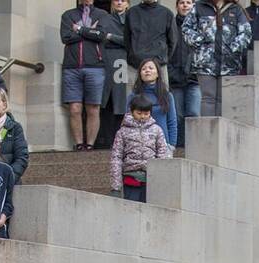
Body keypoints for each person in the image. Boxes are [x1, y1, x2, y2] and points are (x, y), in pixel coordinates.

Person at [183, 1, 253, 116]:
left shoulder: (235, 9)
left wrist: (233, 49)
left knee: (224, 100)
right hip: (205, 64)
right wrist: (199, 41)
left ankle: (222, 132)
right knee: (208, 98)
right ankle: (208, 132)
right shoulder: (199, 7)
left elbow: (246, 33)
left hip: (229, 64)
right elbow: (186, 28)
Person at [62, 0, 113, 151]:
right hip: (71, 67)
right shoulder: (68, 15)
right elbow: (65, 37)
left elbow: (101, 35)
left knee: (93, 108)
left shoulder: (102, 14)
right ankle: (79, 144)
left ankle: (90, 145)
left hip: (95, 67)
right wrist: (89, 31)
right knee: (74, 108)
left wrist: (78, 29)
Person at [110, 94, 172, 201]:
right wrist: (116, 187)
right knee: (132, 208)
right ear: (131, 111)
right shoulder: (122, 132)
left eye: (146, 113)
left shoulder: (157, 130)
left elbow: (163, 154)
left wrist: (164, 177)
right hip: (131, 176)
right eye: (139, 113)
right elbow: (116, 158)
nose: (142, 116)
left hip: (152, 177)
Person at [99, 0, 132, 149]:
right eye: (116, 0)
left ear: (128, 4)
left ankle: (122, 141)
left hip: (126, 63)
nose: (119, 2)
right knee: (106, 102)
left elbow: (131, 42)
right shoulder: (105, 18)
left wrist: (112, 37)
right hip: (106, 62)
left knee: (123, 102)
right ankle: (106, 140)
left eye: (123, 0)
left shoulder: (132, 18)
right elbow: (100, 38)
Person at [169, 0, 199, 148]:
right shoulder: (170, 24)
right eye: (182, 2)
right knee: (178, 115)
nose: (185, 5)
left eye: (188, 2)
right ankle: (180, 148)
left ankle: (194, 146)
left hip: (195, 79)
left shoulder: (199, 24)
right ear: (177, 6)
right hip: (175, 78)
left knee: (194, 113)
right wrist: (171, 72)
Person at [128, 0, 180, 83]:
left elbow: (172, 41)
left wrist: (162, 58)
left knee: (161, 95)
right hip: (135, 67)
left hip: (160, 66)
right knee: (135, 95)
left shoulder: (167, 13)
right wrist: (133, 56)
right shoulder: (131, 13)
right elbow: (127, 39)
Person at [130, 59, 177, 148]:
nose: (147, 70)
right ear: (140, 74)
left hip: (163, 144)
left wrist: (172, 145)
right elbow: (128, 120)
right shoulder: (133, 96)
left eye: (151, 68)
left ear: (158, 73)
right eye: (143, 69)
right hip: (138, 145)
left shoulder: (167, 96)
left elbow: (172, 122)